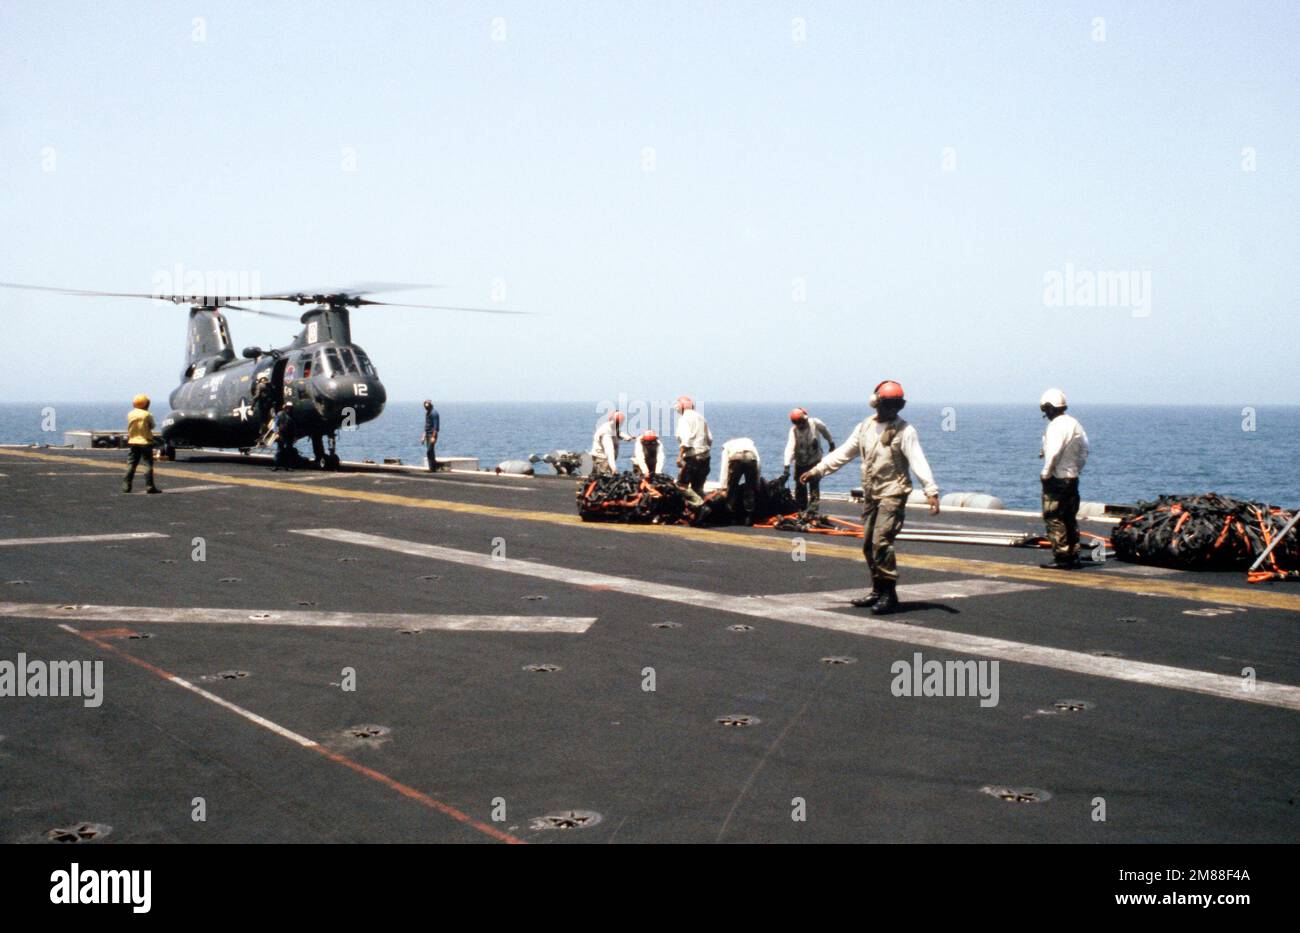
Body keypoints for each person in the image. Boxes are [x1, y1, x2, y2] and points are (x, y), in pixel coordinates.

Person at [802, 380, 939, 614]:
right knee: (868, 545)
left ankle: (890, 594)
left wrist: (931, 491)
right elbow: (845, 453)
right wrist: (817, 470)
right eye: (887, 404)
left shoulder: (905, 431)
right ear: (875, 403)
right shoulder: (864, 427)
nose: (891, 409)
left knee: (881, 542)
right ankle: (877, 590)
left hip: (893, 493)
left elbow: (918, 460)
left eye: (895, 405)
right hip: (871, 494)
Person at [1038, 388, 1090, 569]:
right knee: (1069, 516)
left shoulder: (1056, 426)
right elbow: (1084, 450)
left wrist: (1046, 472)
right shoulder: (1075, 424)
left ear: (1049, 408)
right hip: (1072, 477)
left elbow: (1053, 452)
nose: (1046, 414)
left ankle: (1061, 555)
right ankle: (1073, 554)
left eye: (1046, 410)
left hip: (1057, 478)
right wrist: (1076, 469)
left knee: (1053, 516)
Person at [781, 408, 834, 515]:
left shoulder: (815, 423)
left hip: (814, 460)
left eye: (801, 422)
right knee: (800, 485)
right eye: (797, 423)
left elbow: (825, 431)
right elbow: (790, 447)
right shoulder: (793, 431)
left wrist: (830, 442)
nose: (800, 425)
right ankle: (801, 508)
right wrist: (787, 465)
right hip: (800, 461)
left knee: (814, 484)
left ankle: (813, 510)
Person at [673, 396, 712, 495]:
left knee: (682, 487)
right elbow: (710, 439)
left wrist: (680, 457)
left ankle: (689, 509)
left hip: (692, 459)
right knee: (698, 488)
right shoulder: (701, 417)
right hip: (705, 458)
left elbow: (685, 440)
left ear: (681, 407)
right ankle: (700, 508)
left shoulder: (684, 419)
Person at [123, 394, 161, 494]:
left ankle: (126, 486)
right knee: (147, 465)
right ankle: (150, 486)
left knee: (131, 464)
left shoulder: (130, 414)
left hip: (133, 441)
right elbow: (152, 426)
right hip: (145, 442)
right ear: (146, 404)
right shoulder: (147, 414)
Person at [719, 437, 761, 526]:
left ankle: (730, 516)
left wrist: (723, 487)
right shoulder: (750, 443)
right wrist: (757, 482)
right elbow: (758, 461)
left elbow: (724, 467)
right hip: (751, 457)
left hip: (736, 458)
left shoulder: (726, 447)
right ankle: (749, 517)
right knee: (750, 489)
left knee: (732, 488)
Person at [590, 411, 630, 475]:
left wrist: (626, 437)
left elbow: (616, 432)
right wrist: (613, 467)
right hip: (602, 460)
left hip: (603, 458)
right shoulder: (606, 434)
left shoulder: (610, 426)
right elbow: (609, 452)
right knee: (603, 479)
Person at [272, 402, 296, 471]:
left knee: (289, 451)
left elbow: (294, 427)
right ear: (285, 407)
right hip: (281, 434)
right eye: (288, 407)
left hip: (289, 435)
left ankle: (288, 466)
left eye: (290, 407)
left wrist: (294, 436)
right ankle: (276, 466)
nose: (289, 409)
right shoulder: (279, 414)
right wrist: (276, 433)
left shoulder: (292, 415)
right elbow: (275, 425)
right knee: (279, 450)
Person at [421, 400, 441, 472]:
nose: (426, 408)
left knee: (429, 451)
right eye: (425, 406)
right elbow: (427, 425)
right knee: (430, 451)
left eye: (427, 406)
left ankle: (433, 467)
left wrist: (433, 437)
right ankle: (432, 468)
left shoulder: (434, 413)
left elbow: (436, 427)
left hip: (432, 434)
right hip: (427, 434)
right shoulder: (427, 413)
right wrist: (423, 435)